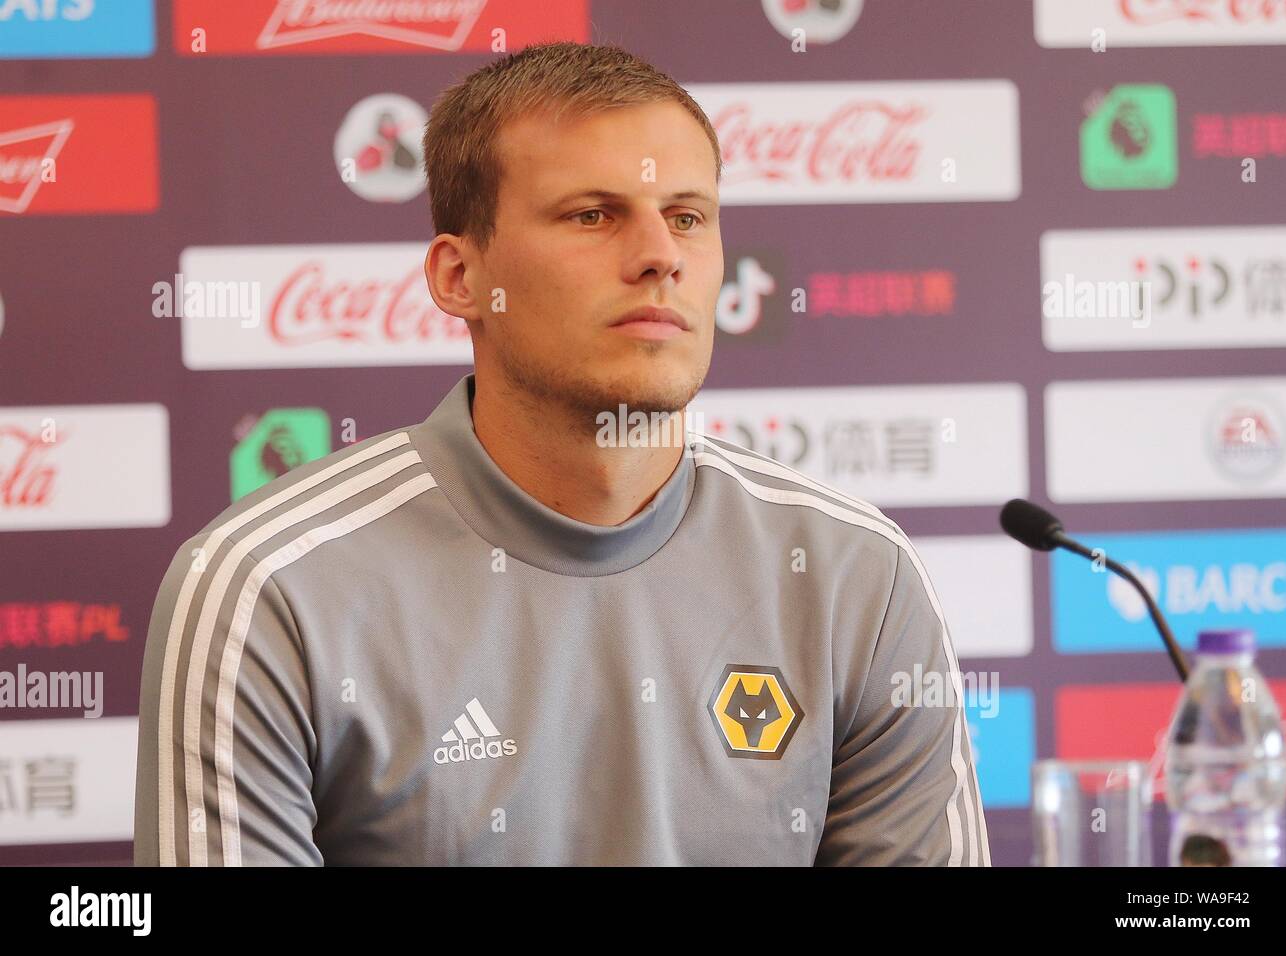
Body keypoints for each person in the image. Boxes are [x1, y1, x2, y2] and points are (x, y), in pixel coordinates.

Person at [134, 40, 989, 866]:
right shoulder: (268, 589)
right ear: (459, 278)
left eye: (687, 218)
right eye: (593, 215)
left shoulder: (855, 576)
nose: (660, 257)